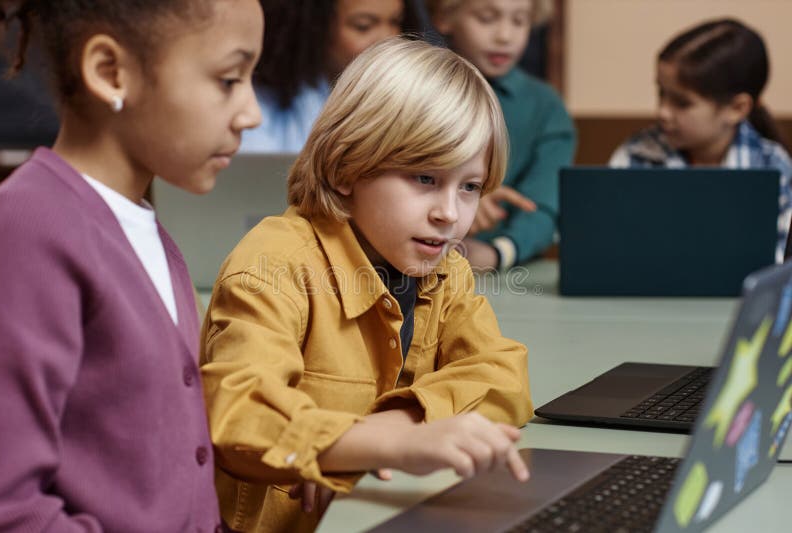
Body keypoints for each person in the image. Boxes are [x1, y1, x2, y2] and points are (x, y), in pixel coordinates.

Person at [200, 37, 533, 533]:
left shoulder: (443, 269)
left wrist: (394, 428)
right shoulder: (273, 264)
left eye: (469, 187)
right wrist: (360, 443)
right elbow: (236, 416)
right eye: (424, 177)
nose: (449, 213)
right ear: (345, 169)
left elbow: (502, 374)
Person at [0, 0, 263, 530]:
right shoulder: (27, 228)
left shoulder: (154, 238)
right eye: (229, 80)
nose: (251, 113)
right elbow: (8, 506)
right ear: (110, 72)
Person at [610, 18, 792, 263]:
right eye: (661, 93)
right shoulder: (635, 155)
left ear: (737, 108)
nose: (662, 111)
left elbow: (774, 267)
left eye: (681, 102)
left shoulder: (774, 167)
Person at [427, 0, 576, 271]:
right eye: (486, 18)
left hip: (504, 273)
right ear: (445, 16)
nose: (504, 36)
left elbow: (544, 207)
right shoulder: (414, 90)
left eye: (519, 21)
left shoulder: (546, 107)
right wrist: (461, 199)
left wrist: (498, 253)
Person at [240, 0, 422, 153]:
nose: (388, 39)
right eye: (363, 26)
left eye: (396, 22)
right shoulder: (263, 102)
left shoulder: (414, 99)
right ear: (316, 27)